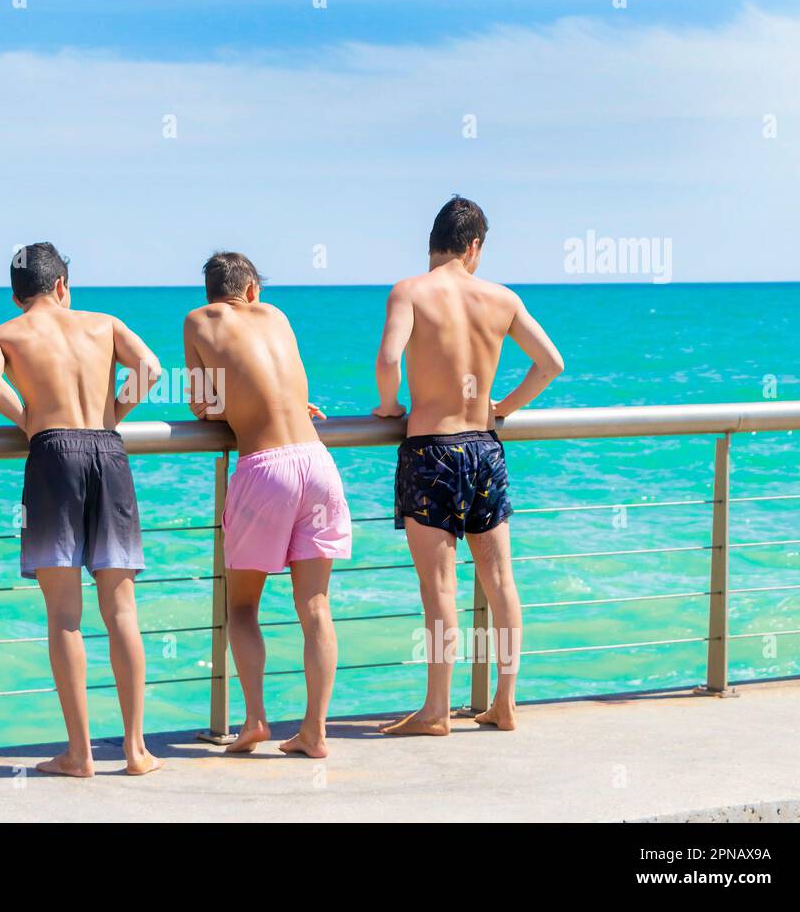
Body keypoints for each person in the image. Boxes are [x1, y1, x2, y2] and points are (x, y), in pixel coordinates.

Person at [373, 195, 564, 735]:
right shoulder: (499, 298)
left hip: (431, 449)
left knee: (440, 589)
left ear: (433, 244)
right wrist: (505, 407)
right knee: (501, 581)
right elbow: (551, 363)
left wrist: (390, 408)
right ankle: (505, 701)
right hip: (483, 448)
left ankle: (437, 709)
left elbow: (389, 360)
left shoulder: (409, 291)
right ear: (475, 245)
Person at [0, 242, 162, 777]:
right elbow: (149, 367)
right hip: (108, 448)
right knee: (121, 609)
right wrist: (114, 411)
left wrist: (27, 419)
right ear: (62, 284)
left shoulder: (4, 335)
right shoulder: (103, 323)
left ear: (17, 295)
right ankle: (136, 750)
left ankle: (79, 753)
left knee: (64, 615)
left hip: (53, 452)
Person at [183, 252, 352, 758]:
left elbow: (201, 404)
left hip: (266, 468)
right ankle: (315, 732)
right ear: (253, 289)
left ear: (211, 292)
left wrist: (236, 408)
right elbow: (286, 383)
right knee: (316, 607)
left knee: (242, 606)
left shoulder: (198, 320)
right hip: (317, 461)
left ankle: (255, 720)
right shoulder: (277, 315)